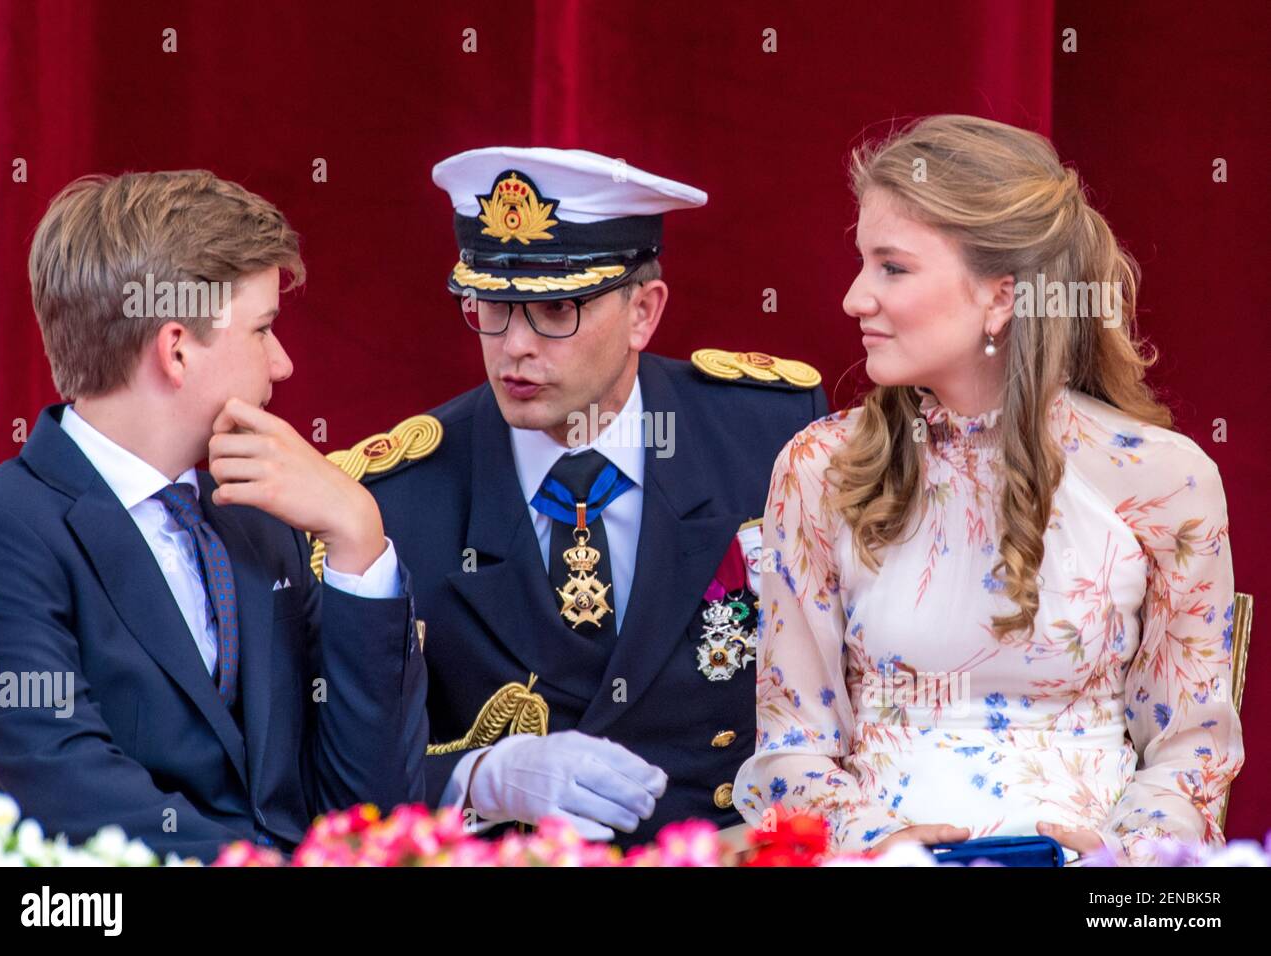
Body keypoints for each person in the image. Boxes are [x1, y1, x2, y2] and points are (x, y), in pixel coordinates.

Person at [733, 115, 1244, 866]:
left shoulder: (1167, 478)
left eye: (892, 268)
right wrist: (880, 844)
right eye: (862, 263)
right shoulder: (817, 469)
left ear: (1000, 298)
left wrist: (1123, 855)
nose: (853, 298)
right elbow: (792, 746)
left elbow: (1192, 750)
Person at [325, 147, 827, 845]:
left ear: (643, 313)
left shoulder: (767, 436)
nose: (515, 348)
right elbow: (344, 779)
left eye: (555, 308)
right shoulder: (398, 495)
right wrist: (479, 778)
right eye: (492, 308)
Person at [0, 170, 428, 862]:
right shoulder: (0, 529)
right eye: (264, 329)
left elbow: (370, 810)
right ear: (176, 348)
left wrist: (357, 536)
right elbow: (71, 790)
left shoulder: (257, 519)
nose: (284, 363)